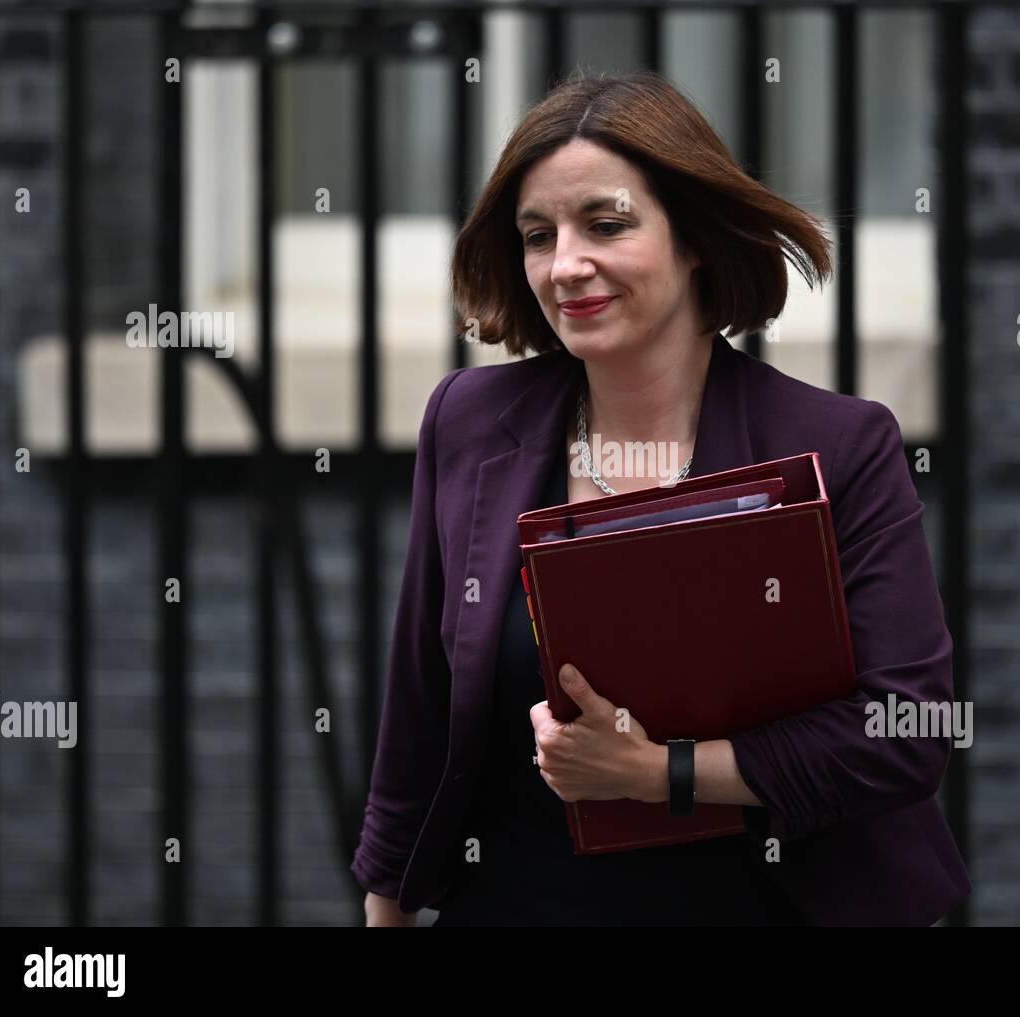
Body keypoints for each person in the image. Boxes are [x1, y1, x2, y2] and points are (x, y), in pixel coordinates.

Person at [353, 69, 970, 926]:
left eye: (606, 223)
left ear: (693, 238)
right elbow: (417, 720)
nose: (566, 264)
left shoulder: (839, 446)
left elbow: (905, 730)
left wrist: (660, 773)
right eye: (538, 235)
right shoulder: (469, 422)